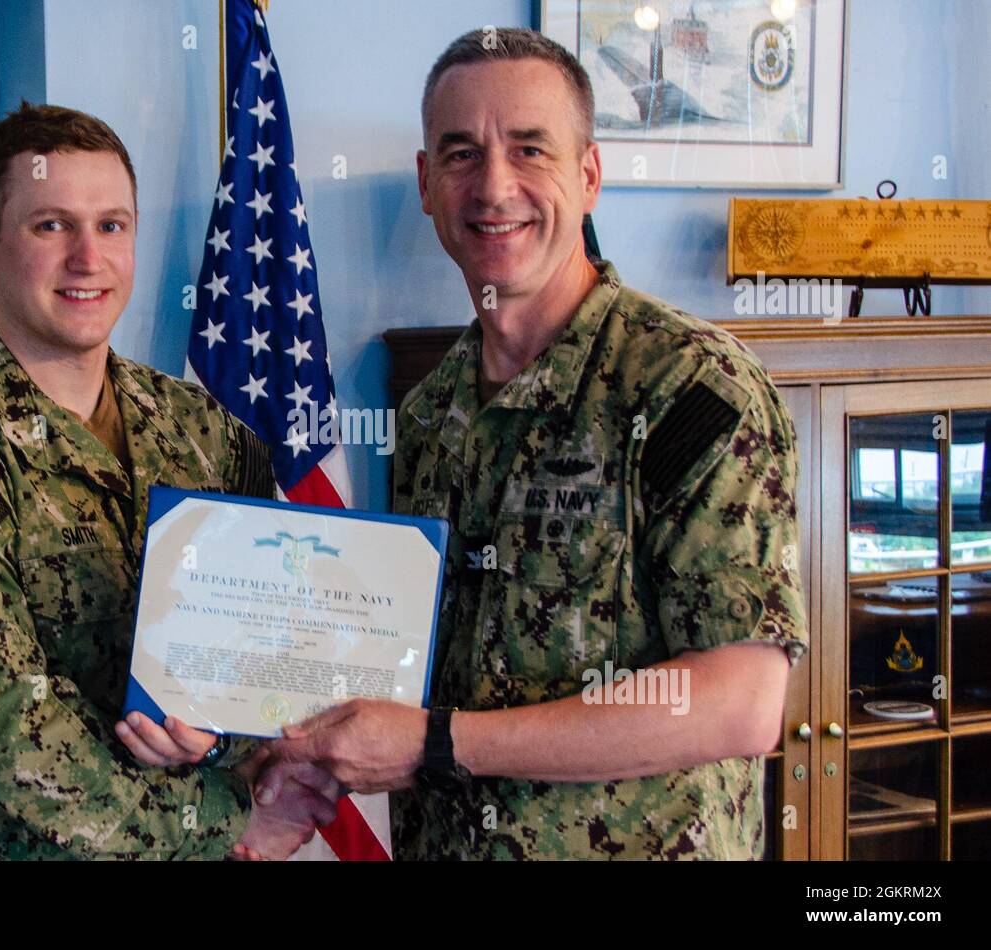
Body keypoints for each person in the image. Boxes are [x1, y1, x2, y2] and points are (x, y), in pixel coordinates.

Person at [262, 29, 807, 859]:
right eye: (460, 154)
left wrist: (440, 742)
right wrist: (301, 754)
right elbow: (415, 667)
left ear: (588, 176)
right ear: (425, 184)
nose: (494, 185)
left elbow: (741, 703)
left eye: (529, 149)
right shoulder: (430, 407)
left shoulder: (691, 390)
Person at [0, 102, 337, 860]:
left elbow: (261, 641)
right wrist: (225, 819)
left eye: (112, 226)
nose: (88, 258)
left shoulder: (203, 433)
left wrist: (220, 739)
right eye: (51, 226)